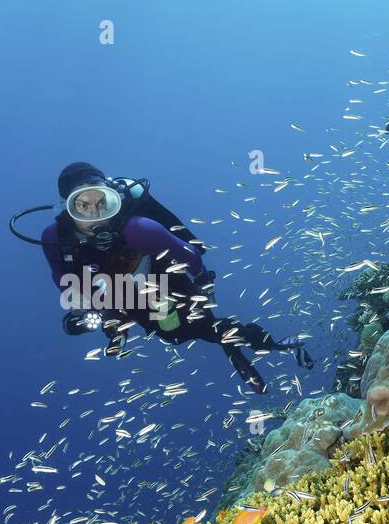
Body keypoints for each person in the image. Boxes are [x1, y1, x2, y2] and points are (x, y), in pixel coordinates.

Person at [37, 162, 311, 393]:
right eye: (82, 207)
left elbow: (191, 259)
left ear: (113, 199)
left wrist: (204, 287)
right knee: (151, 332)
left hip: (165, 285)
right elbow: (63, 278)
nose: (95, 215)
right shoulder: (54, 238)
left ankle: (274, 344)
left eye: (102, 203)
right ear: (67, 209)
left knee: (189, 331)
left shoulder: (140, 230)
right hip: (117, 295)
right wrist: (84, 309)